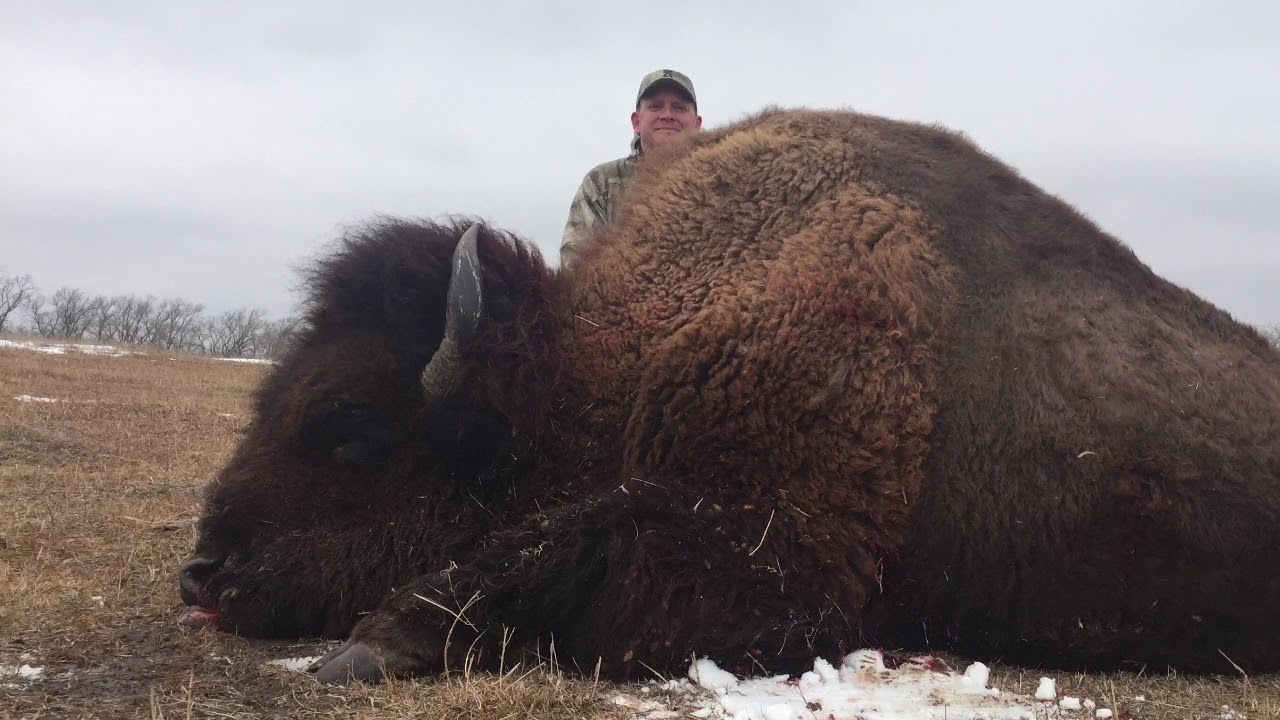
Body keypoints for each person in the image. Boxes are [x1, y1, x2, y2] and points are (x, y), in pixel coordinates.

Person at [560, 68, 703, 265]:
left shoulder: (723, 180)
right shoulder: (602, 182)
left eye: (679, 108)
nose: (667, 115)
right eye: (655, 106)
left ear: (697, 124)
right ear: (637, 122)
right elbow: (576, 268)